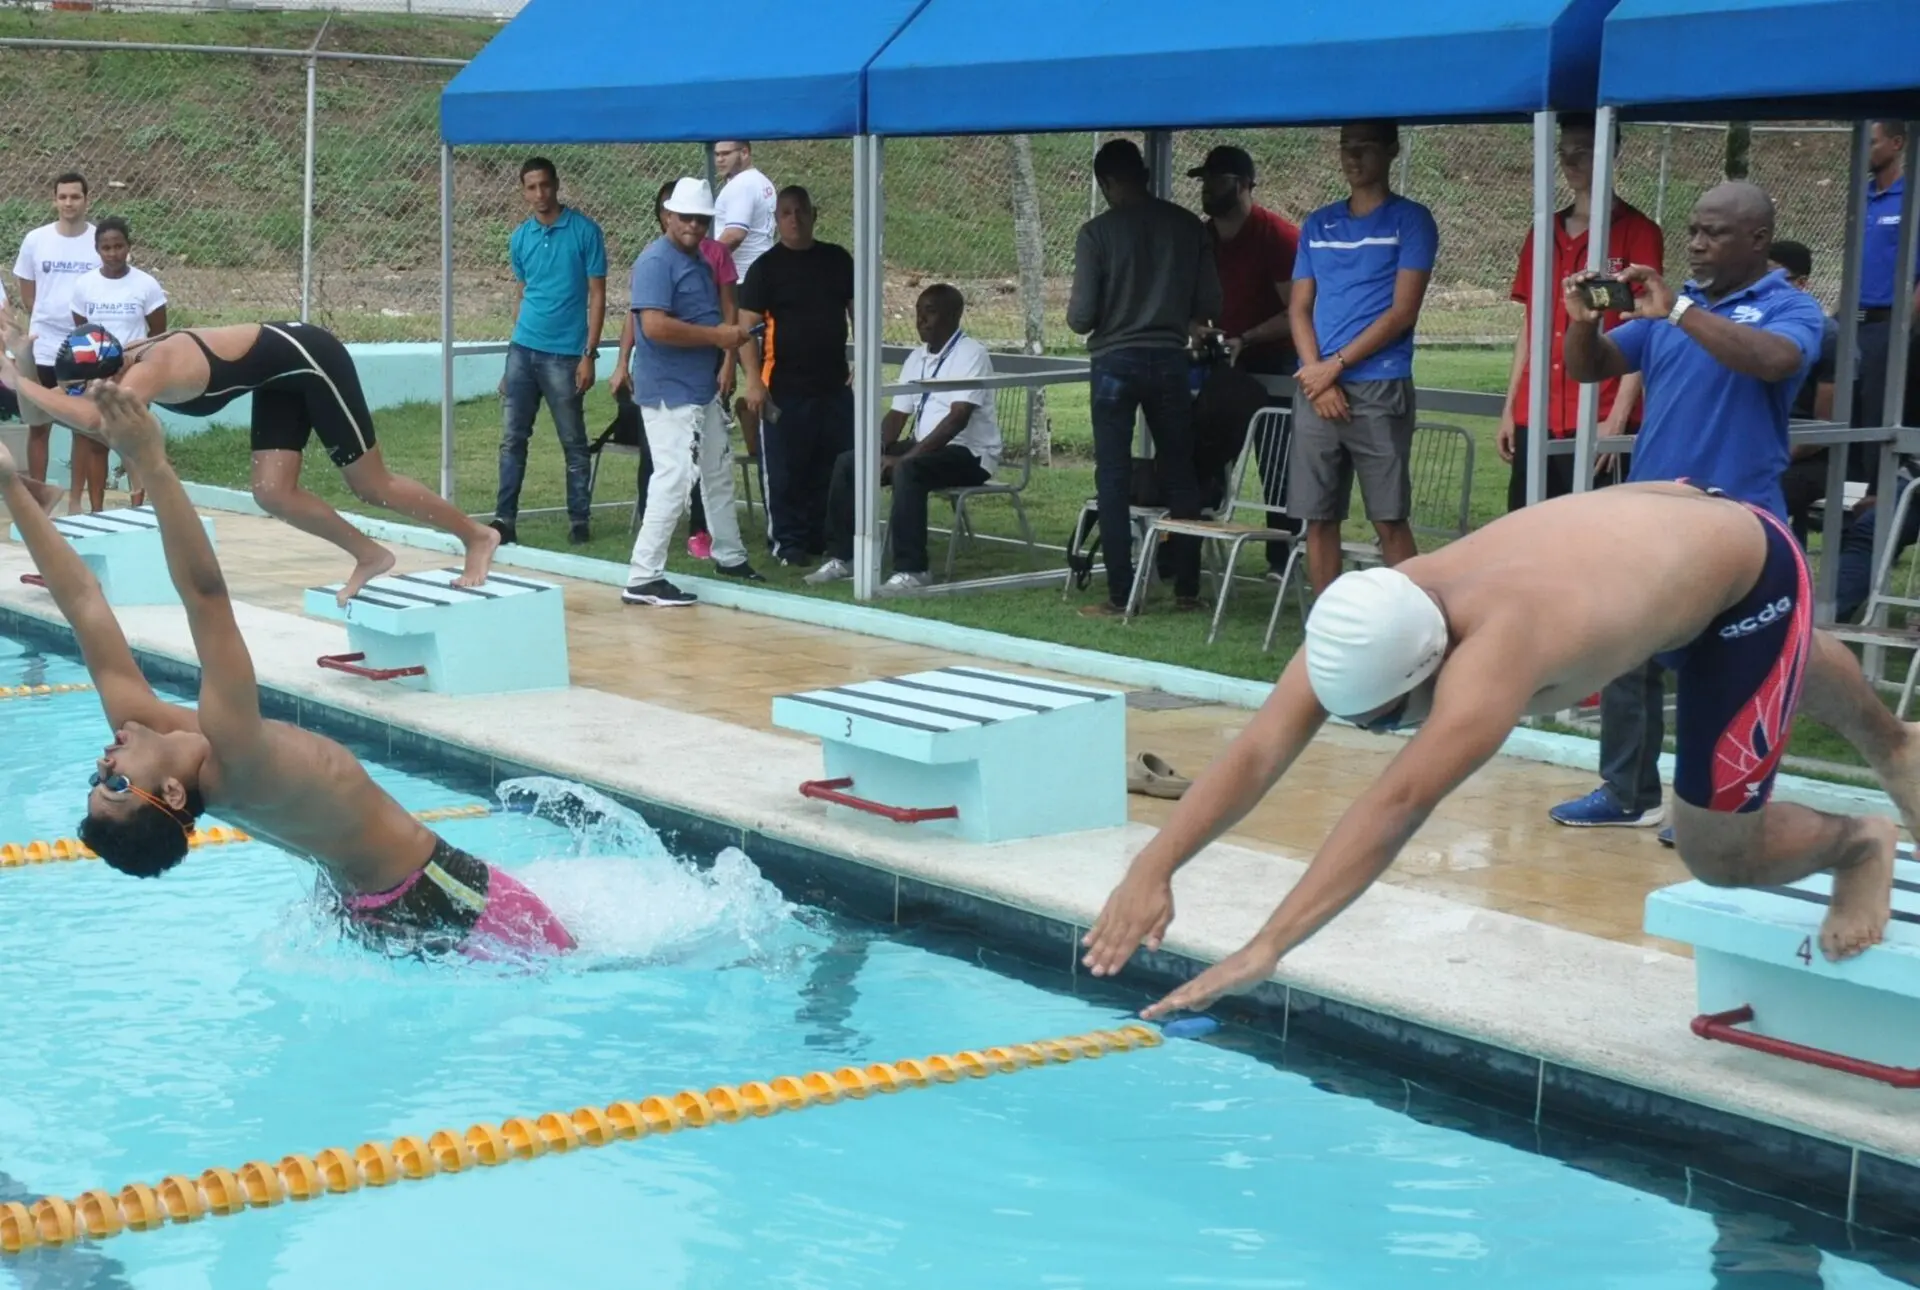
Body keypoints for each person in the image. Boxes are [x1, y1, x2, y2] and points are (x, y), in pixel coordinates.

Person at [1080, 481, 1920, 1019]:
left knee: (1717, 851)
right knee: (1796, 680)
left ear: (1432, 667)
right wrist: (1151, 868)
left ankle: (1858, 842)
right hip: (1668, 532)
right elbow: (1259, 750)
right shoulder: (1365, 620)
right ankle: (1892, 743)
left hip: (1742, 574)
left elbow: (1394, 807)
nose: (1381, 736)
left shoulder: (1491, 660)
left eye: (1384, 722)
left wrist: (1268, 946)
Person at [0, 386, 575, 960]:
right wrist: (152, 463)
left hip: (365, 908)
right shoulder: (236, 751)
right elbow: (206, 596)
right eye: (117, 785)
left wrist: (10, 487)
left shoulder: (154, 733)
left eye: (96, 780)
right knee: (578, 963)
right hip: (437, 892)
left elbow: (82, 602)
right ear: (172, 793)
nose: (103, 766)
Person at [1549, 182, 1825, 832]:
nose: (1696, 243)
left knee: (1722, 670)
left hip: (1739, 523)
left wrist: (1675, 314)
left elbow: (1773, 362)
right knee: (1627, 657)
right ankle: (1625, 794)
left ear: (1757, 240)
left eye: (1714, 233)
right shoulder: (1676, 308)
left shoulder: (1792, 309)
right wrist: (1582, 325)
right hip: (1656, 515)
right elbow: (1594, 369)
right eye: (1693, 229)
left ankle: (1706, 812)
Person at [0, 309, 499, 605]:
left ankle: (476, 535)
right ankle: (371, 555)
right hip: (275, 379)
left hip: (311, 358)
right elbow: (44, 410)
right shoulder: (120, 362)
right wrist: (22, 359)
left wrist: (16, 380)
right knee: (271, 492)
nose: (86, 396)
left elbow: (95, 422)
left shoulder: (153, 367)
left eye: (87, 388)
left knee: (370, 484)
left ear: (108, 374)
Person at [1067, 137, 1218, 617]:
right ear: (1145, 174)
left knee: (1112, 476)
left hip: (1113, 362)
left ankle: (1120, 593)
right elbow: (1210, 304)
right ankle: (1188, 588)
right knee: (1180, 471)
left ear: (1107, 183)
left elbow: (1080, 317)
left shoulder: (1096, 234)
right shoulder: (1187, 227)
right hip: (1170, 359)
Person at [1288, 121, 1439, 597]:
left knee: (1389, 517)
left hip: (1378, 384)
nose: (1353, 158)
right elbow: (1298, 307)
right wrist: (1319, 377)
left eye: (1365, 148)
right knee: (1319, 516)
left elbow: (1402, 311)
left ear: (1392, 151)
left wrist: (1334, 367)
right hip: (1319, 387)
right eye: (1345, 148)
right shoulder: (1317, 223)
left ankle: (1414, 627)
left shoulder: (1411, 220)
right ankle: (1326, 630)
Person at [1496, 113, 1662, 511]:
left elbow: (1643, 322)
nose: (1570, 163)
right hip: (1537, 413)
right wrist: (1510, 408)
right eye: (1564, 152)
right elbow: (1531, 324)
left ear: (1612, 152)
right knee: (1528, 531)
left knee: (1593, 537)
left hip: (1598, 411)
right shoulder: (1543, 231)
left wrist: (1618, 417)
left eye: (1583, 152)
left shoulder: (1637, 232)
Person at [805, 283, 1000, 594]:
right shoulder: (917, 357)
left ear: (954, 315)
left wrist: (904, 458)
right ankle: (844, 557)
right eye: (918, 313)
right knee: (850, 462)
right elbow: (897, 416)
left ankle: (913, 569)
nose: (921, 321)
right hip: (927, 446)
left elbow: (957, 418)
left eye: (931, 312)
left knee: (908, 470)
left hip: (969, 453)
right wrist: (877, 450)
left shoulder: (970, 353)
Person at [620, 177, 761, 607]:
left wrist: (723, 345)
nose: (694, 226)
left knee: (717, 467)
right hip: (668, 389)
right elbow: (655, 326)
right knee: (674, 477)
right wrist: (717, 338)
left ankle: (730, 555)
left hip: (699, 388)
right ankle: (644, 576)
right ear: (668, 216)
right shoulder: (656, 261)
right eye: (687, 218)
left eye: (702, 220)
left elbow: (713, 316)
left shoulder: (700, 259)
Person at [1191, 143, 1302, 576]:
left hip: (1274, 362)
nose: (1207, 190)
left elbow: (1299, 311)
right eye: (1204, 182)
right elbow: (1189, 297)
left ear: (1244, 185)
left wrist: (1249, 338)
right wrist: (1197, 328)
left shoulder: (1277, 237)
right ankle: (1188, 545)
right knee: (1206, 453)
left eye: (1217, 181)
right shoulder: (1202, 238)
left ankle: (1283, 557)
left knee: (1278, 461)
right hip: (1221, 364)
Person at [736, 186, 857, 566]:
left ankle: (824, 538)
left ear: (814, 213)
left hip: (834, 386)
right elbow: (744, 332)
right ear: (776, 220)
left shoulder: (837, 259)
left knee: (832, 466)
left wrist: (864, 361)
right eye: (786, 212)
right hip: (783, 390)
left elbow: (859, 312)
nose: (794, 218)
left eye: (801, 211)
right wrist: (754, 381)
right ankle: (787, 543)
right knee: (787, 470)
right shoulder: (765, 269)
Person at [493, 157, 607, 548]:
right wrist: (512, 358)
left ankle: (579, 518)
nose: (540, 194)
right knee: (512, 439)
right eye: (531, 187)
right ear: (523, 191)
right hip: (523, 349)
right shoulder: (520, 238)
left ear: (556, 185)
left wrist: (589, 354)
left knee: (573, 441)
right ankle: (504, 519)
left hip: (565, 354)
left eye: (545, 185)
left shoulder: (585, 232)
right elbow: (522, 291)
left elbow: (597, 295)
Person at [68, 215, 167, 513]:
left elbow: (158, 334)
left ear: (128, 246)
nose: (113, 253)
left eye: (119, 246)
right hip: (97, 376)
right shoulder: (84, 285)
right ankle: (97, 510)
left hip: (134, 376)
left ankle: (138, 504)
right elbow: (81, 333)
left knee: (133, 441)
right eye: (106, 247)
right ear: (97, 250)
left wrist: (132, 362)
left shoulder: (146, 285)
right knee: (97, 442)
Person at [12, 171, 99, 498]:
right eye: (62, 197)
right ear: (54, 200)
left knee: (81, 426)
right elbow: (28, 292)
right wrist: (45, 318)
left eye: (75, 196)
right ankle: (38, 498)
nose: (68, 203)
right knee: (39, 424)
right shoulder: (36, 240)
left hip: (83, 346)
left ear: (86, 200)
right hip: (42, 345)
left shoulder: (98, 241)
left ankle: (76, 500)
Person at [1767, 239, 1844, 542]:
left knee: (1744, 502)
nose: (1766, 286)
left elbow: (1822, 431)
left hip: (1807, 461)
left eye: (1777, 277)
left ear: (1801, 283)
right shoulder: (1747, 328)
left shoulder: (1827, 336)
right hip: (1761, 449)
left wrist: (1770, 456)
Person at [712, 141, 779, 490]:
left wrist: (697, 261)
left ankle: (762, 438)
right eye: (717, 153)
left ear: (746, 152)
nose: (719, 158)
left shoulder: (741, 186)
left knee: (750, 368)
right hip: (754, 281)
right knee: (756, 371)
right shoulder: (761, 183)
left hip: (740, 284)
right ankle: (757, 433)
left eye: (727, 152)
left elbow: (734, 234)